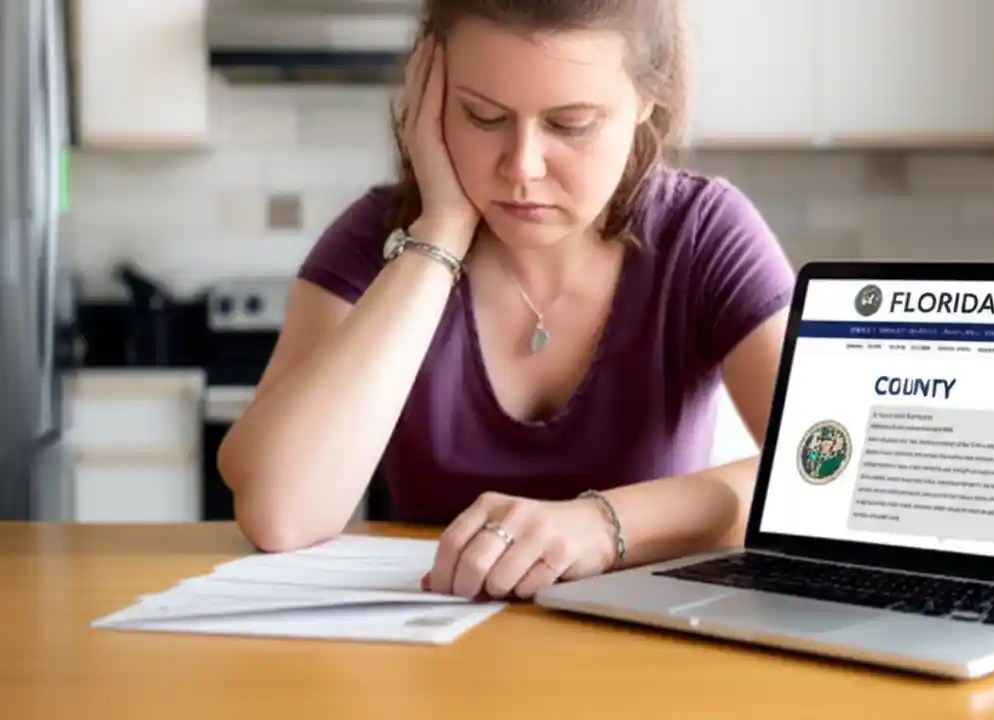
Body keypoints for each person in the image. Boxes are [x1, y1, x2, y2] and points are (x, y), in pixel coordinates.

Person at [217, 0, 795, 602]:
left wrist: (603, 524)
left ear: (647, 99)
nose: (522, 167)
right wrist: (438, 233)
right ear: (429, 92)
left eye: (570, 125)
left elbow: (828, 476)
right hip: (430, 655)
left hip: (643, 663)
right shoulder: (376, 239)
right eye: (483, 116)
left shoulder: (702, 233)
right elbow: (281, 511)